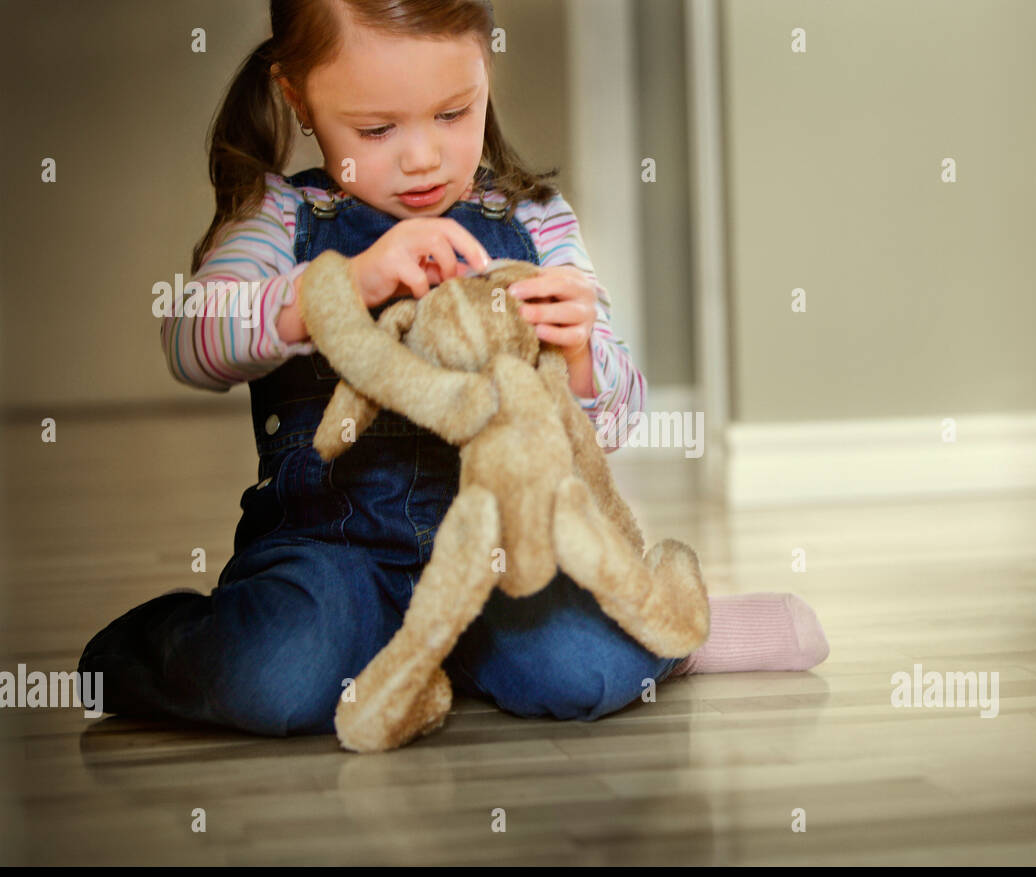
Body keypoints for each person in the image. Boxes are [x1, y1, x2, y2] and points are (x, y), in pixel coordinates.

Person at [78, 0, 827, 739]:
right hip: (328, 555)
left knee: (587, 671)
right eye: (376, 130)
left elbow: (617, 418)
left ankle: (651, 631)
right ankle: (156, 652)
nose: (423, 157)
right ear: (297, 97)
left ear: (485, 70)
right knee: (277, 679)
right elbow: (191, 340)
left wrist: (578, 353)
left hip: (501, 550)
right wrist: (338, 290)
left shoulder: (534, 221)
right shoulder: (279, 219)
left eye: (453, 113)